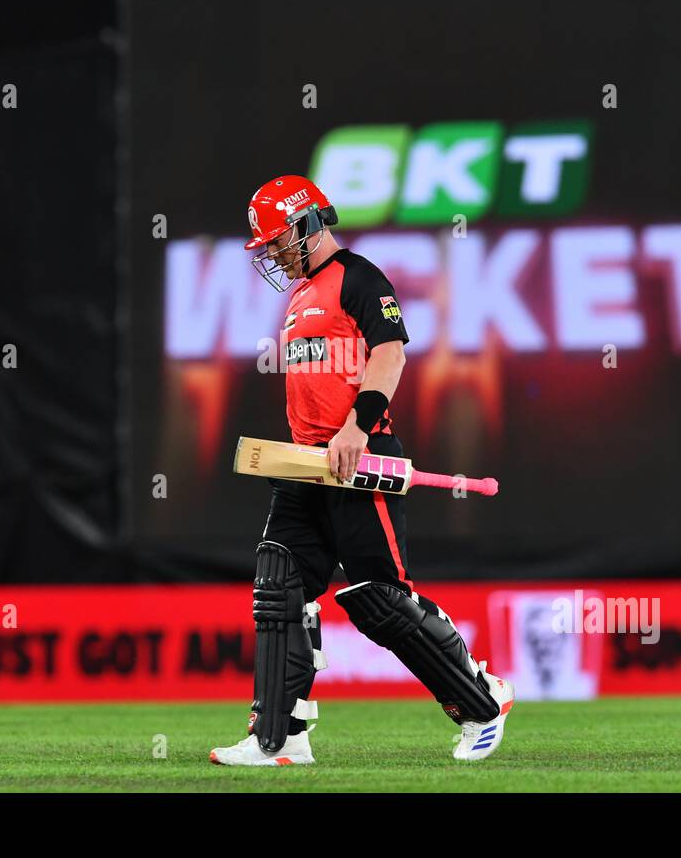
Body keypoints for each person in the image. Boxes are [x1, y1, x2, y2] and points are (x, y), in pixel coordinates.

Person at [209, 175, 514, 767]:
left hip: (359, 456)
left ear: (305, 225)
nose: (271, 253)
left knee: (378, 598)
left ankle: (481, 701)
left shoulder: (359, 276)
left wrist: (355, 427)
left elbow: (391, 350)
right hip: (307, 466)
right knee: (280, 585)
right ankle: (278, 738)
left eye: (275, 241)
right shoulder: (300, 295)